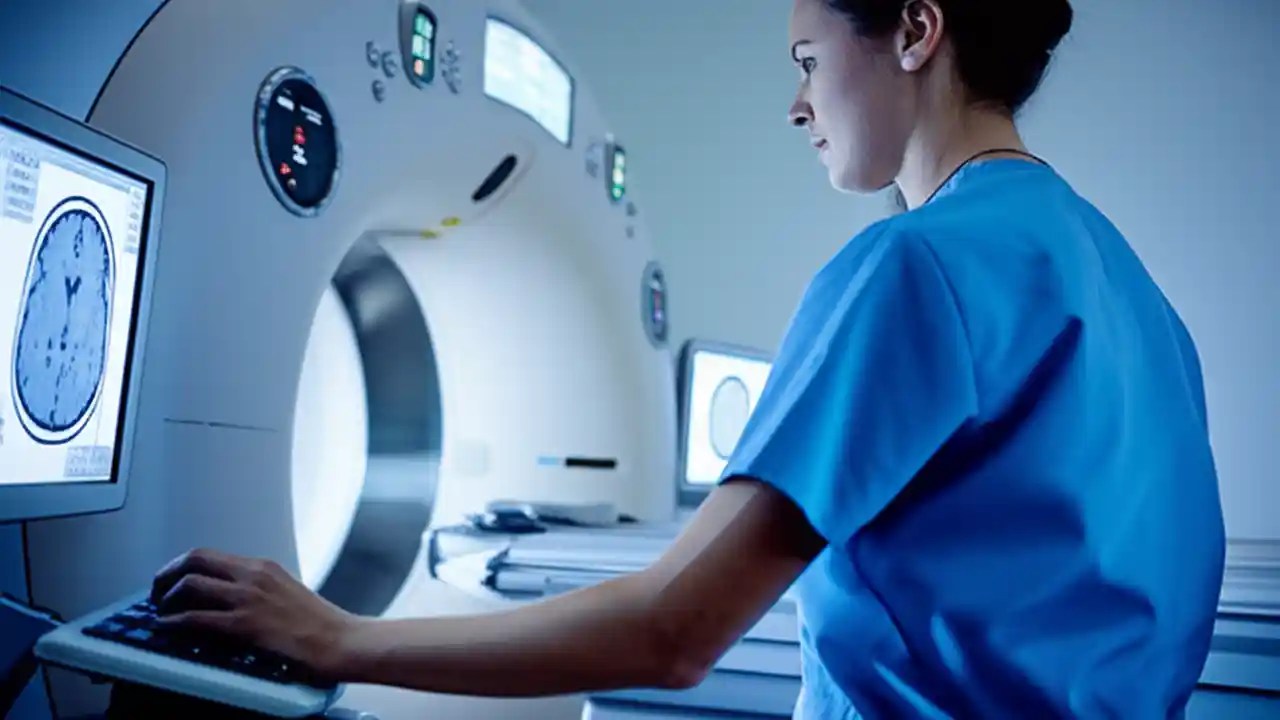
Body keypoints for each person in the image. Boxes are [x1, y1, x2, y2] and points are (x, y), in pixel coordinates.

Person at [151, 0, 1226, 717]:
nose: (797, 102)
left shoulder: (911, 268)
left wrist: (338, 637)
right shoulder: (1136, 299)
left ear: (912, 30)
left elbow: (672, 632)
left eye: (807, 59)